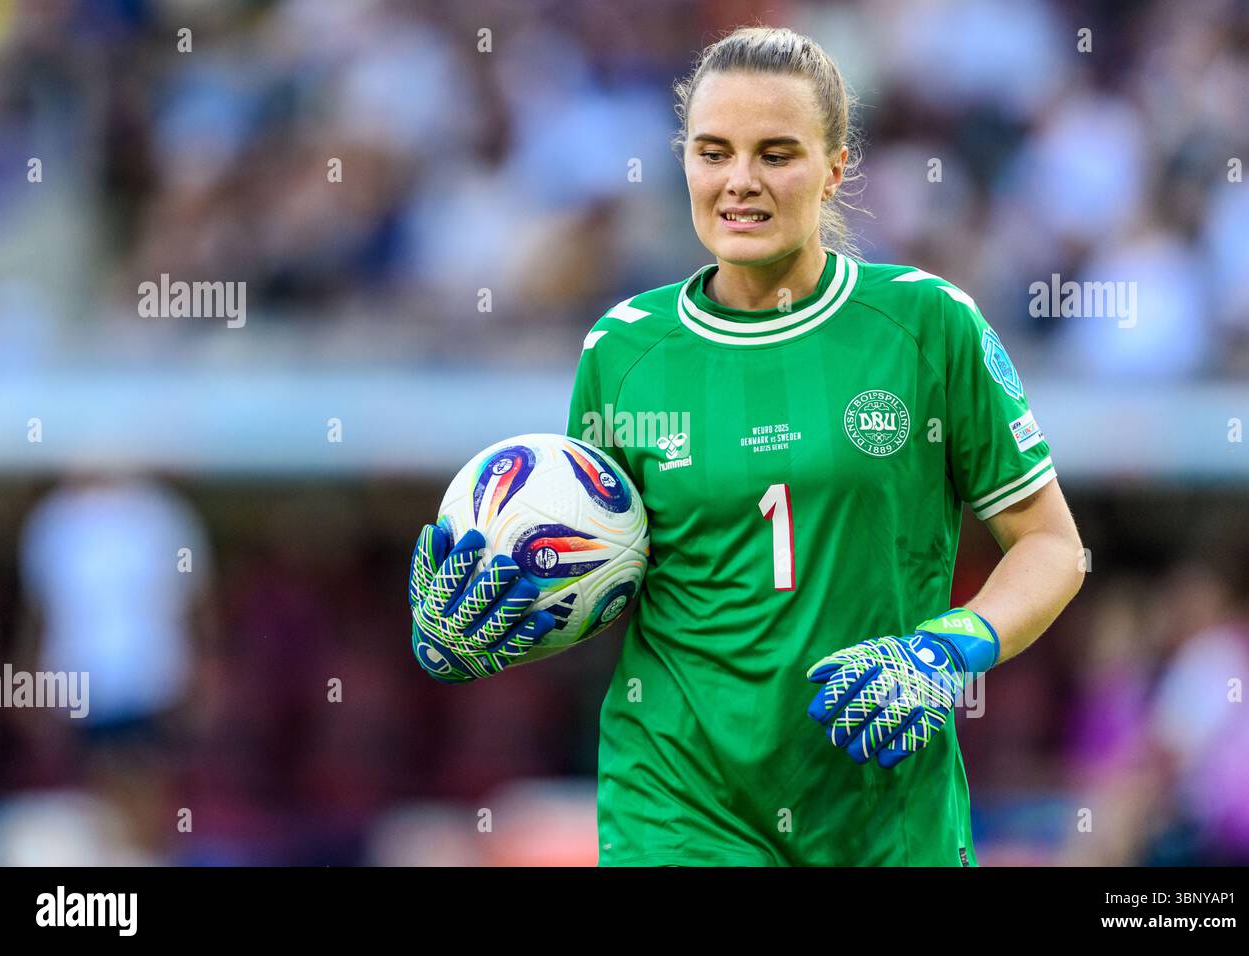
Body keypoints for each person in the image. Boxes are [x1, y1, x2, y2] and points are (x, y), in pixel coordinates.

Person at [408, 26, 1084, 866]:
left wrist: (949, 649)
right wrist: (493, 615)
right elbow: (607, 572)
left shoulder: (927, 325)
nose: (740, 181)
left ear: (836, 167)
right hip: (678, 806)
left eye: (777, 154)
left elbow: (1053, 547)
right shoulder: (622, 350)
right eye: (713, 151)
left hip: (883, 812)